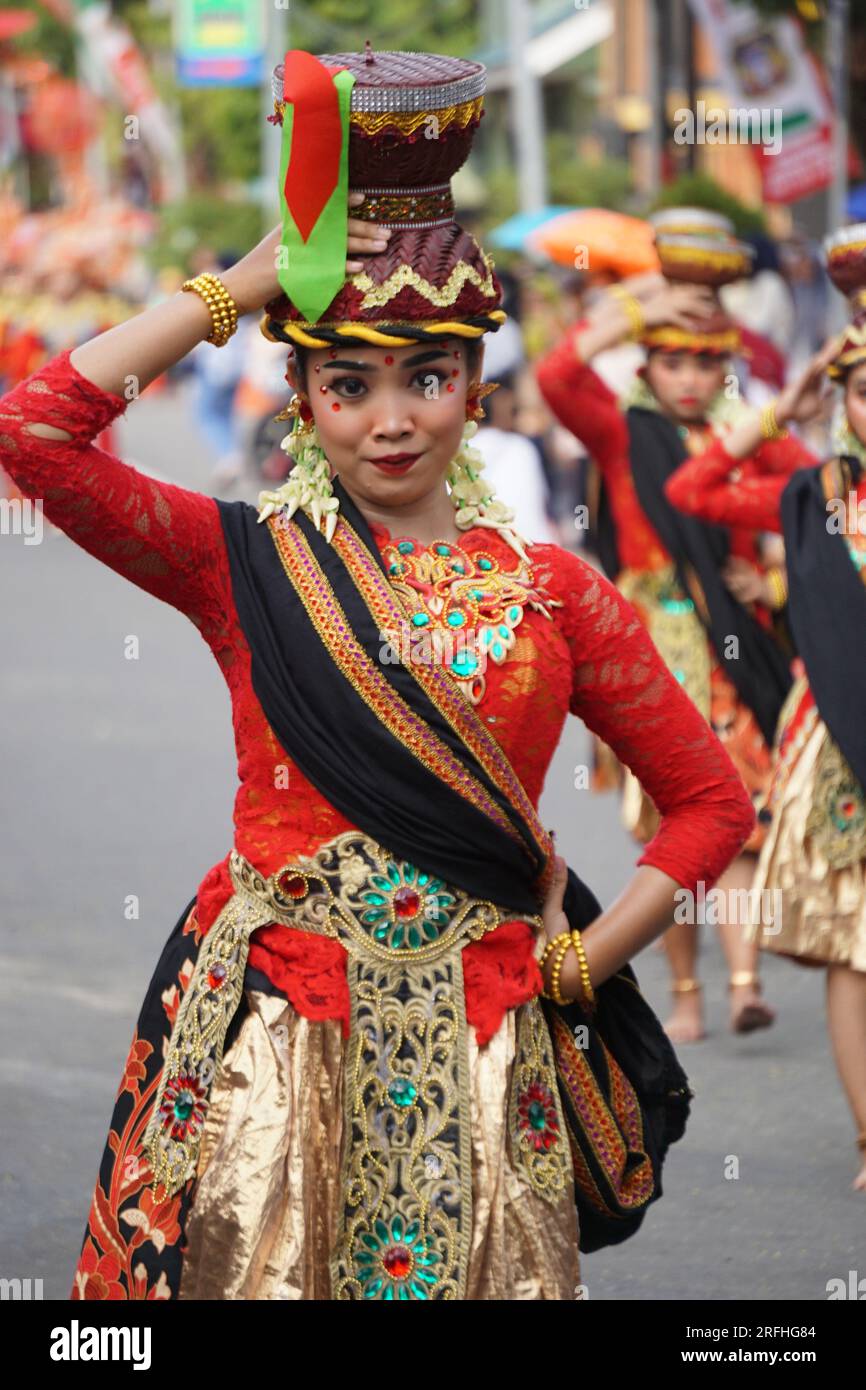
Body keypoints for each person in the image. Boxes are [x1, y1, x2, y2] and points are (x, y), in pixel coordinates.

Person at [0, 50, 755, 1300]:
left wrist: (583, 960)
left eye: (429, 378)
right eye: (347, 384)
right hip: (274, 1043)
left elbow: (710, 805)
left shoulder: (554, 592)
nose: (391, 418)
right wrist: (238, 285)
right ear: (299, 396)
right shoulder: (239, 561)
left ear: (475, 387)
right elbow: (33, 426)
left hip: (486, 1046)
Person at [536, 211, 798, 1044]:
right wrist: (642, 302)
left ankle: (746, 981)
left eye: (707, 363)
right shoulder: (624, 431)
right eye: (673, 361)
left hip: (737, 646)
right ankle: (687, 991)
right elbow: (556, 374)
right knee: (671, 827)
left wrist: (778, 581)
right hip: (651, 648)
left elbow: (824, 506)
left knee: (744, 814)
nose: (689, 378)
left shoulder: (746, 441)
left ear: (727, 368)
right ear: (647, 365)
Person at [663, 223, 866, 1191]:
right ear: (845, 399)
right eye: (864, 387)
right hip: (838, 746)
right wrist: (779, 401)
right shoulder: (809, 490)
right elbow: (691, 484)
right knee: (852, 947)